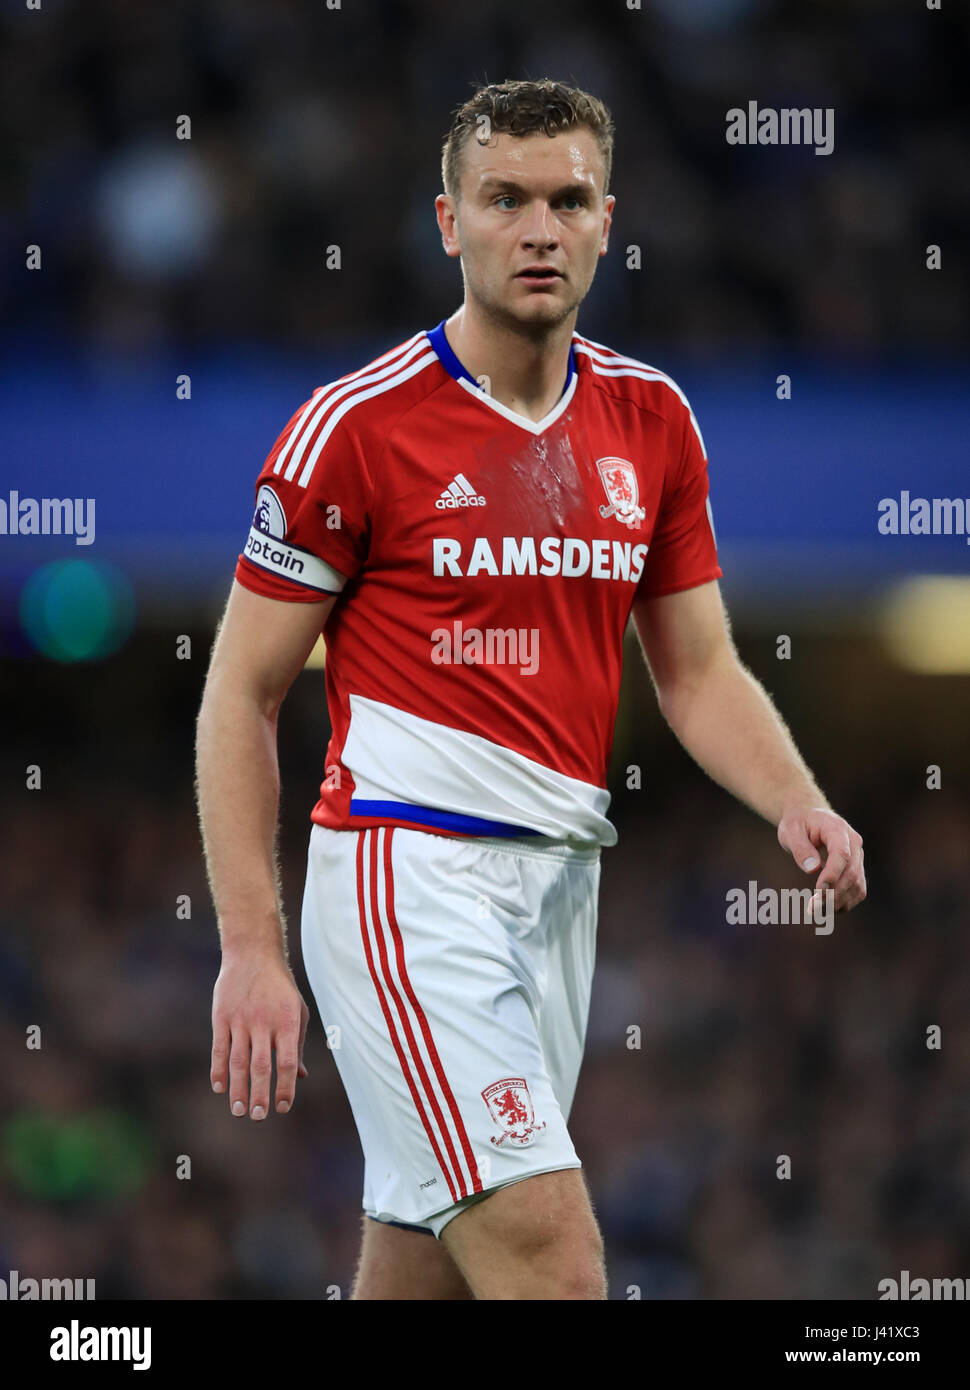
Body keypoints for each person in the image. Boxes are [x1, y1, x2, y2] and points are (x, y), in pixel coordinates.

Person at [195, 78, 866, 1301]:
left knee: (427, 1274)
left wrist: (792, 801)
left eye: (567, 200)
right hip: (411, 880)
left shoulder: (652, 420)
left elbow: (697, 667)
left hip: (561, 889)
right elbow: (237, 692)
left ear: (610, 219)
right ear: (448, 223)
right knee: (553, 1267)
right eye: (503, 199)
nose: (538, 229)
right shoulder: (353, 428)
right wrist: (251, 946)